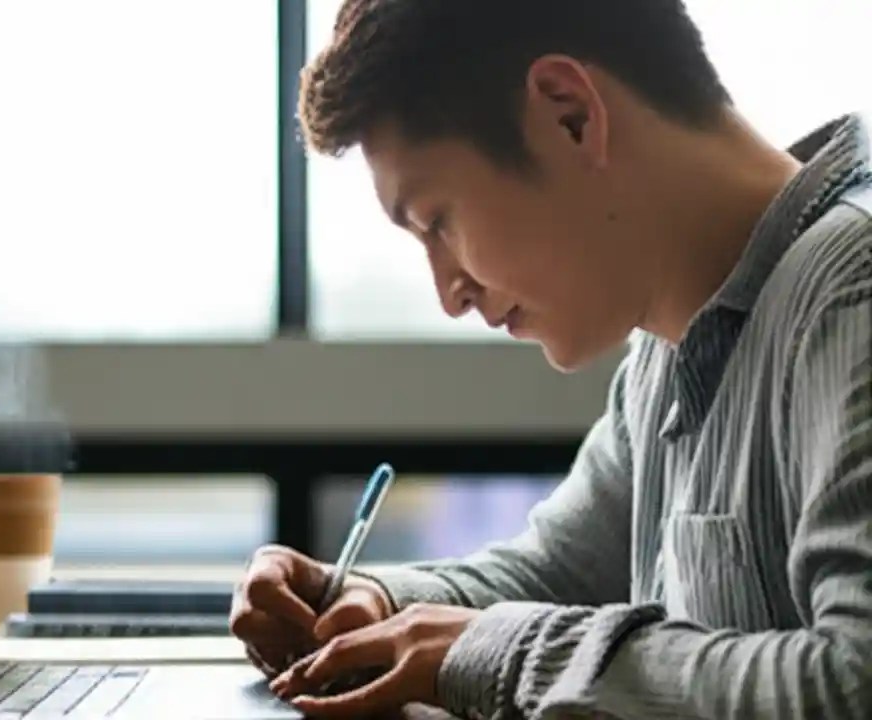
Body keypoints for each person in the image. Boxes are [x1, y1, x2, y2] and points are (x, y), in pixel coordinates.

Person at [229, 1, 872, 718]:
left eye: (437, 221)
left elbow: (855, 681)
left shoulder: (853, 294)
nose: (449, 294)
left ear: (570, 115)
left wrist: (493, 654)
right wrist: (373, 603)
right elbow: (560, 572)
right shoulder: (668, 348)